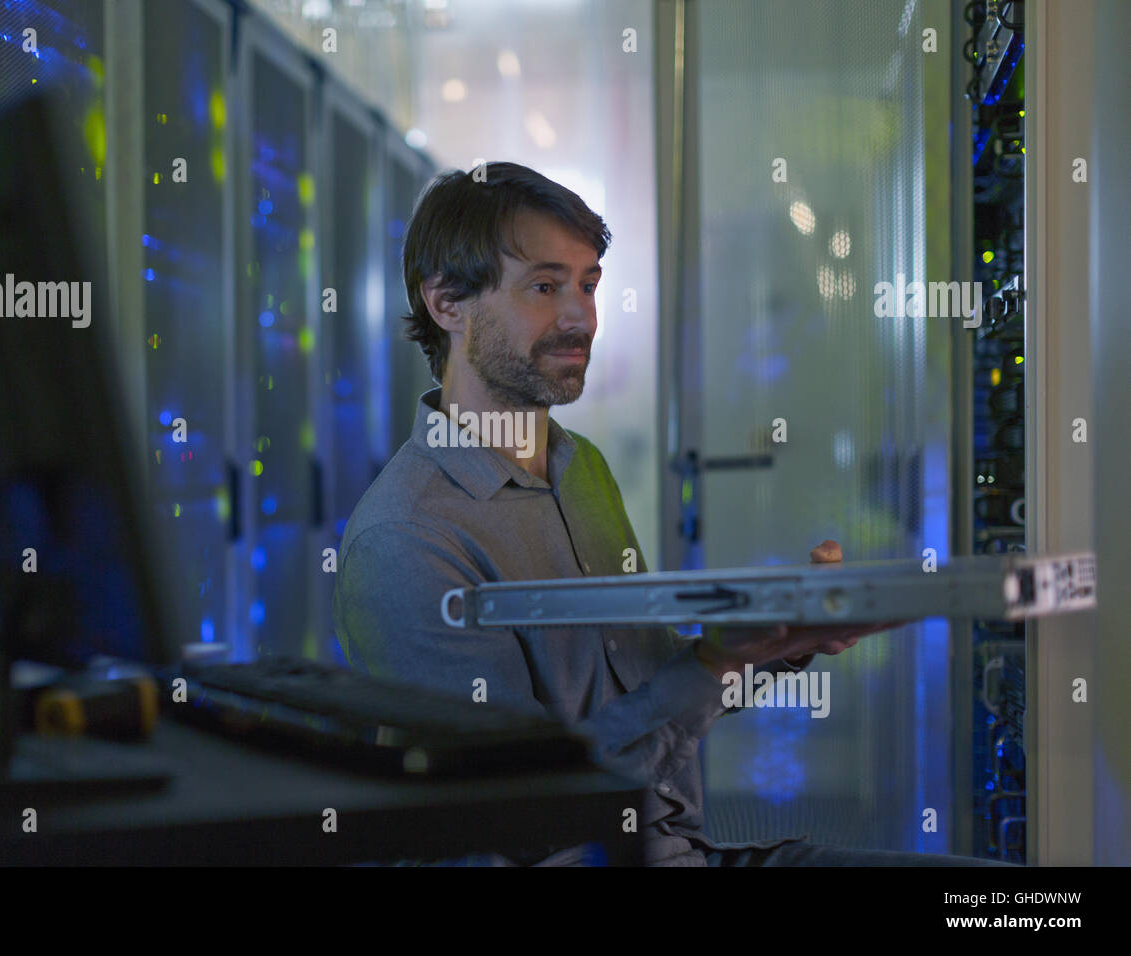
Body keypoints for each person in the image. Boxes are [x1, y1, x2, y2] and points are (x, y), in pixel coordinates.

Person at [333, 162, 1010, 867]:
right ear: (446, 302)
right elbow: (524, 813)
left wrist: (783, 641)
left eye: (587, 284)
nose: (579, 317)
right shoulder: (405, 538)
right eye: (544, 286)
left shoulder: (578, 466)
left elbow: (655, 700)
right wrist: (720, 658)